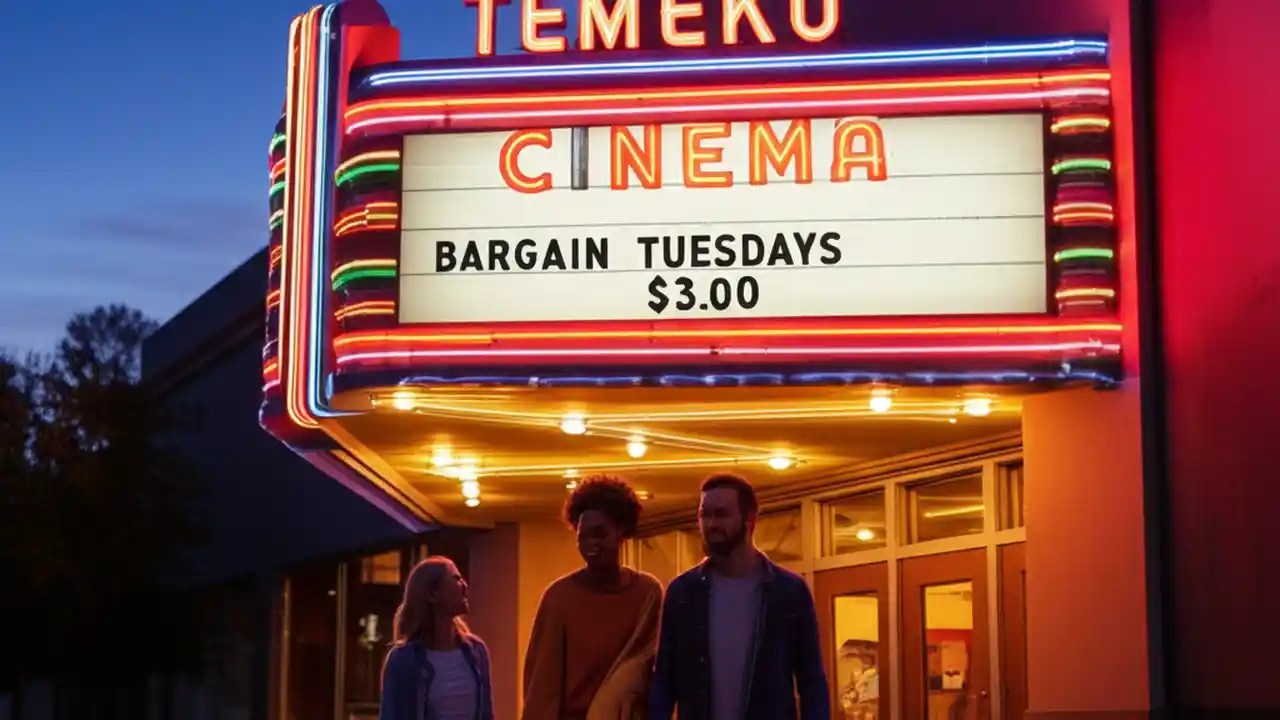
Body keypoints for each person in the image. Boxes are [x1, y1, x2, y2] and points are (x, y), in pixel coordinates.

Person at [649, 473, 830, 720]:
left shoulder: (787, 591)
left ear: (750, 520)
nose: (711, 524)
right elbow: (664, 680)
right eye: (705, 514)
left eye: (722, 514)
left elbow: (811, 680)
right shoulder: (684, 592)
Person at [523, 475, 664, 720]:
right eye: (582, 536)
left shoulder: (647, 593)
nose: (590, 544)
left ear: (621, 531)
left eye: (599, 534)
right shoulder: (559, 598)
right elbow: (541, 688)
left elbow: (655, 669)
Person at [379, 556, 494, 720]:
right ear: (433, 594)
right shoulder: (403, 660)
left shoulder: (476, 652)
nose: (465, 586)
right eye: (456, 579)